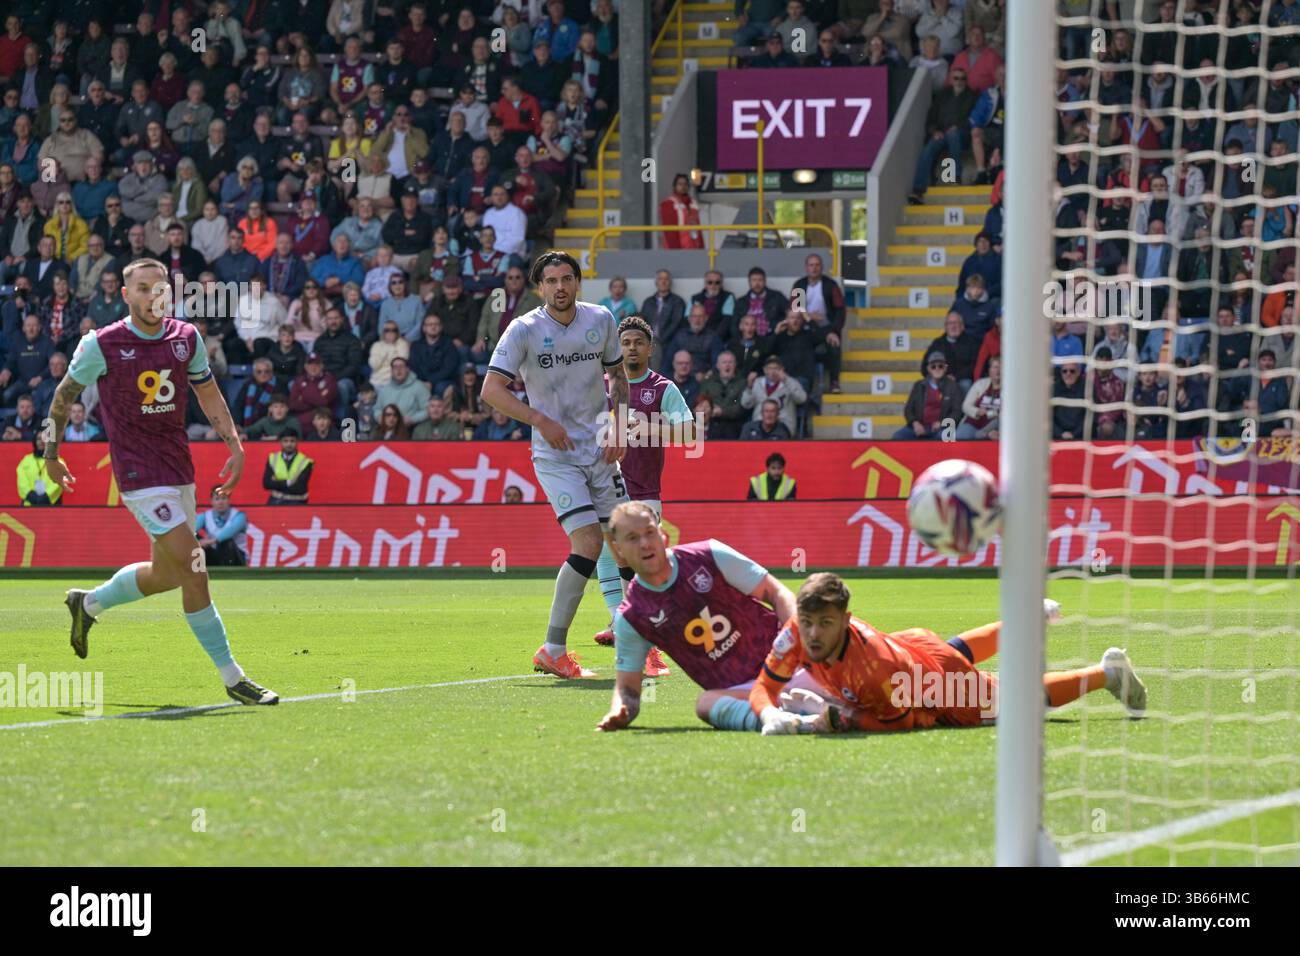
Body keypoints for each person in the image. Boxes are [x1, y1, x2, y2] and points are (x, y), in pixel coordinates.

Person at [44, 257, 276, 704]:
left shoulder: (186, 338)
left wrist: (235, 444)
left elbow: (207, 391)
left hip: (178, 470)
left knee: (169, 574)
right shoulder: (101, 344)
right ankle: (234, 679)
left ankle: (87, 604)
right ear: (126, 295)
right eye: (143, 288)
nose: (153, 296)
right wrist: (51, 454)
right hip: (138, 473)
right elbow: (62, 397)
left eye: (160, 288)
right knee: (195, 566)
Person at [747, 573, 1145, 736]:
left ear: (846, 620)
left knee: (1019, 703)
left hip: (933, 685)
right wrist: (769, 713)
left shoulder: (874, 670)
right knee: (954, 650)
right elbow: (764, 686)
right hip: (914, 646)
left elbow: (900, 723)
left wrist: (830, 719)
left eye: (825, 623)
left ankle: (1107, 673)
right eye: (809, 621)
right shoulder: (797, 632)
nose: (813, 633)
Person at [480, 250, 630, 679]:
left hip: (601, 450)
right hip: (555, 455)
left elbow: (618, 378)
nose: (560, 286)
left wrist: (619, 424)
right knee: (587, 544)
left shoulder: (600, 319)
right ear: (539, 287)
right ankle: (553, 648)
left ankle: (635, 638)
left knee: (626, 540)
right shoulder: (523, 329)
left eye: (567, 278)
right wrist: (539, 420)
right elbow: (492, 390)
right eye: (551, 280)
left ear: (578, 283)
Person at [596, 501, 824, 733]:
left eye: (649, 533)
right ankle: (785, 720)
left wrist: (799, 643)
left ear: (663, 535)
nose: (644, 544)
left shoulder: (709, 554)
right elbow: (628, 690)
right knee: (706, 704)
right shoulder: (632, 616)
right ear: (618, 550)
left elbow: (776, 593)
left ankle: (811, 708)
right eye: (633, 538)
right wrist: (620, 710)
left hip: (791, 664)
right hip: (744, 693)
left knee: (842, 655)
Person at [590, 315, 695, 658]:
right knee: (606, 554)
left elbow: (691, 433)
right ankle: (619, 620)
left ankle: (652, 620)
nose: (631, 348)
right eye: (625, 343)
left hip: (645, 491)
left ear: (649, 348)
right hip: (605, 486)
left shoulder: (662, 388)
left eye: (637, 342)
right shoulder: (601, 386)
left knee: (643, 560)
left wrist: (649, 429)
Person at [894, 352, 963, 440]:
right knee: (898, 436)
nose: (937, 369)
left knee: (945, 437)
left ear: (945, 368)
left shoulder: (953, 386)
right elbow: (908, 409)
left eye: (940, 366)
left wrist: (942, 423)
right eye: (933, 366)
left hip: (942, 428)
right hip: (920, 426)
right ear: (928, 369)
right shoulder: (919, 385)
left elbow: (957, 412)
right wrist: (915, 423)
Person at [196, 485, 248, 566]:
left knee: (226, 542)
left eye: (224, 498)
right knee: (193, 538)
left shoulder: (239, 516)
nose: (220, 502)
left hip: (236, 557)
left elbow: (230, 531)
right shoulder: (205, 516)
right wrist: (197, 543)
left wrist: (209, 541)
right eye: (217, 499)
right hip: (215, 555)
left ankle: (229, 574)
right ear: (212, 501)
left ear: (229, 500)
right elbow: (191, 529)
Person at [957, 356, 1002, 440]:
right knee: (960, 435)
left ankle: (984, 434)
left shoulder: (1010, 389)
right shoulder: (980, 384)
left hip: (994, 427)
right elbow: (965, 406)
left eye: (1001, 368)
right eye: (995, 367)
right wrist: (977, 411)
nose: (998, 371)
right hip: (973, 423)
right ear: (989, 370)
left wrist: (989, 413)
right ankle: (982, 434)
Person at [263, 431, 313, 504]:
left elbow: (299, 488)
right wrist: (288, 482)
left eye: (292, 441)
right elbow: (266, 484)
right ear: (280, 442)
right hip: (276, 500)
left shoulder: (306, 461)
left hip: (297, 501)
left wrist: (276, 482)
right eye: (285, 441)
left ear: (297, 442)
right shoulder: (272, 458)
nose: (289, 444)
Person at [17, 433, 63, 505]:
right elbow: (22, 482)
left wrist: (46, 496)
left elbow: (58, 484)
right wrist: (30, 495)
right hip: (29, 504)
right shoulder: (26, 460)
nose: (41, 441)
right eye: (38, 439)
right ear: (34, 442)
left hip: (50, 505)